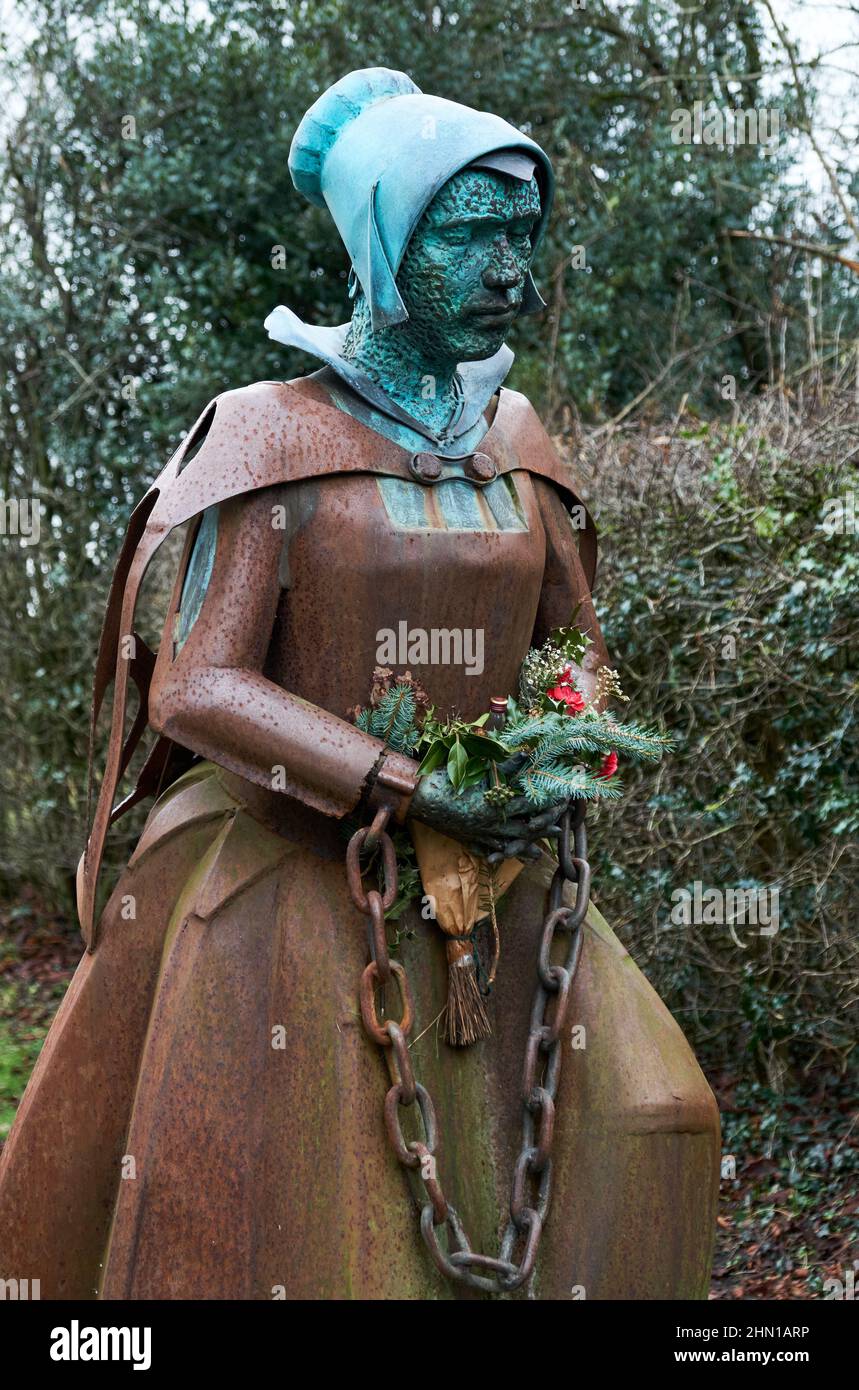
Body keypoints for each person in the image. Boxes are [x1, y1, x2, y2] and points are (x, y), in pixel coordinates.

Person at [0, 68, 719, 1300]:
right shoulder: (269, 434)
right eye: (470, 231)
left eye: (521, 236)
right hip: (292, 879)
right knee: (305, 1215)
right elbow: (194, 688)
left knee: (660, 1114)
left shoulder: (517, 444)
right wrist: (410, 780)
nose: (508, 269)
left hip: (499, 881)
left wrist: (559, 756)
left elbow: (577, 660)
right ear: (384, 238)